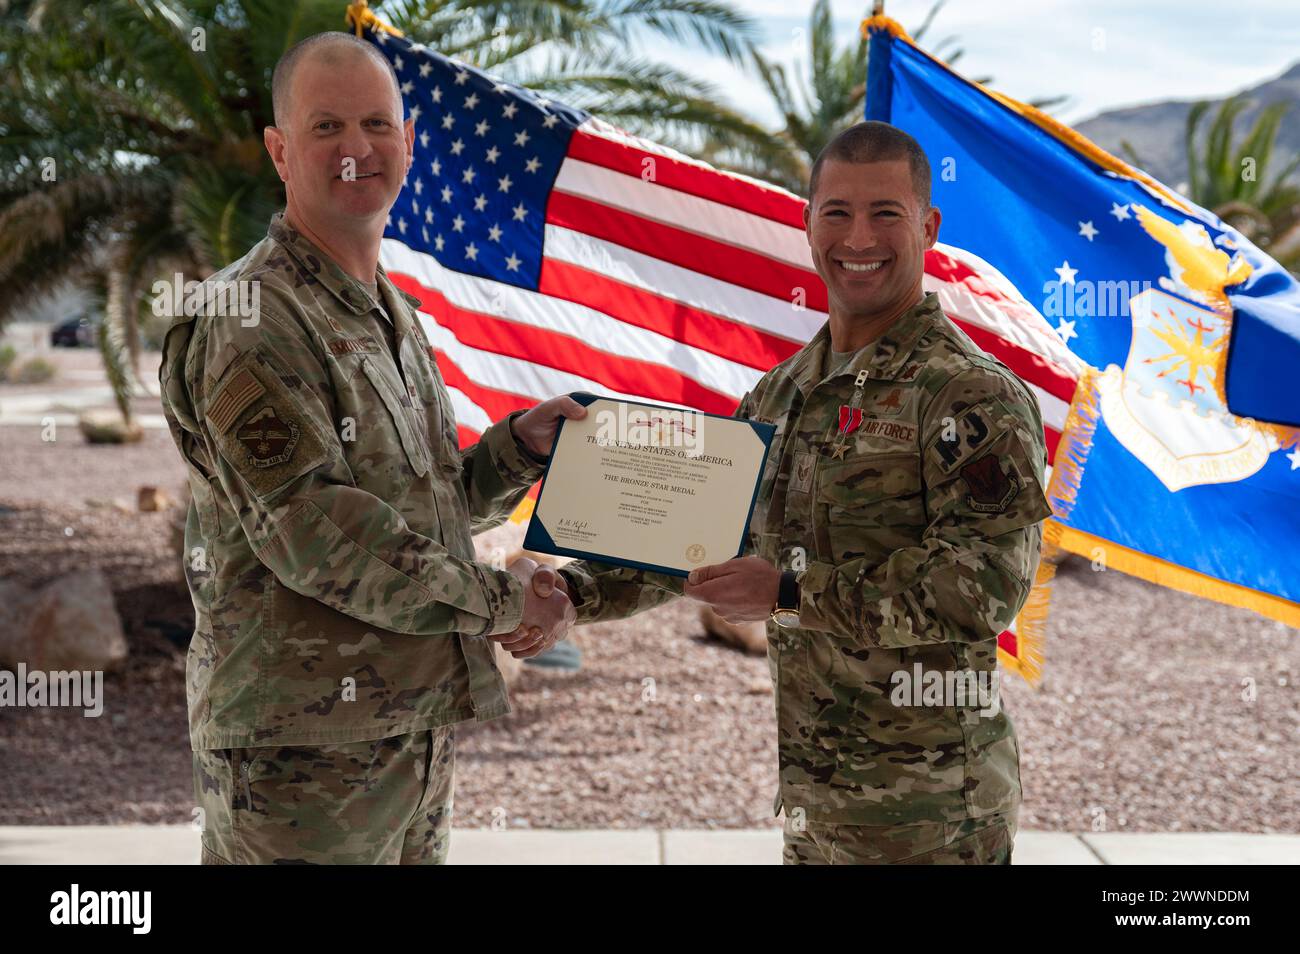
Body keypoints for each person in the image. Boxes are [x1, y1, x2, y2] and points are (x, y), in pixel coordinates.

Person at [513, 121, 1053, 864]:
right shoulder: (780, 394)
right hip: (813, 804)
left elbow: (983, 589)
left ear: (927, 227)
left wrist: (789, 592)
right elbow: (693, 536)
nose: (858, 236)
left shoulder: (969, 395)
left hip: (931, 815)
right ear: (806, 224)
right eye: (836, 212)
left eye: (884, 213)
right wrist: (574, 593)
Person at [158, 31, 577, 865]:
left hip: (407, 738)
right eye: (326, 129)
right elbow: (316, 532)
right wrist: (499, 602)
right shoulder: (253, 318)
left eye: (377, 125)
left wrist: (521, 449)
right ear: (280, 151)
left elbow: (422, 507)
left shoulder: (391, 312)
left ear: (409, 141)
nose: (358, 150)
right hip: (300, 765)